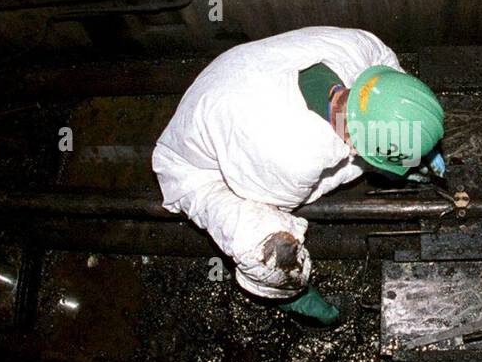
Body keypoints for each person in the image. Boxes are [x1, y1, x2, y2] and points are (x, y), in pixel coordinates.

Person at [153, 27, 445, 326]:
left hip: (234, 74)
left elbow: (390, 75)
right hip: (197, 165)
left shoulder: (362, 48)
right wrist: (378, 164)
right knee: (269, 249)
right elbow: (276, 202)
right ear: (357, 143)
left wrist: (410, 141)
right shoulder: (295, 156)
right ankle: (289, 294)